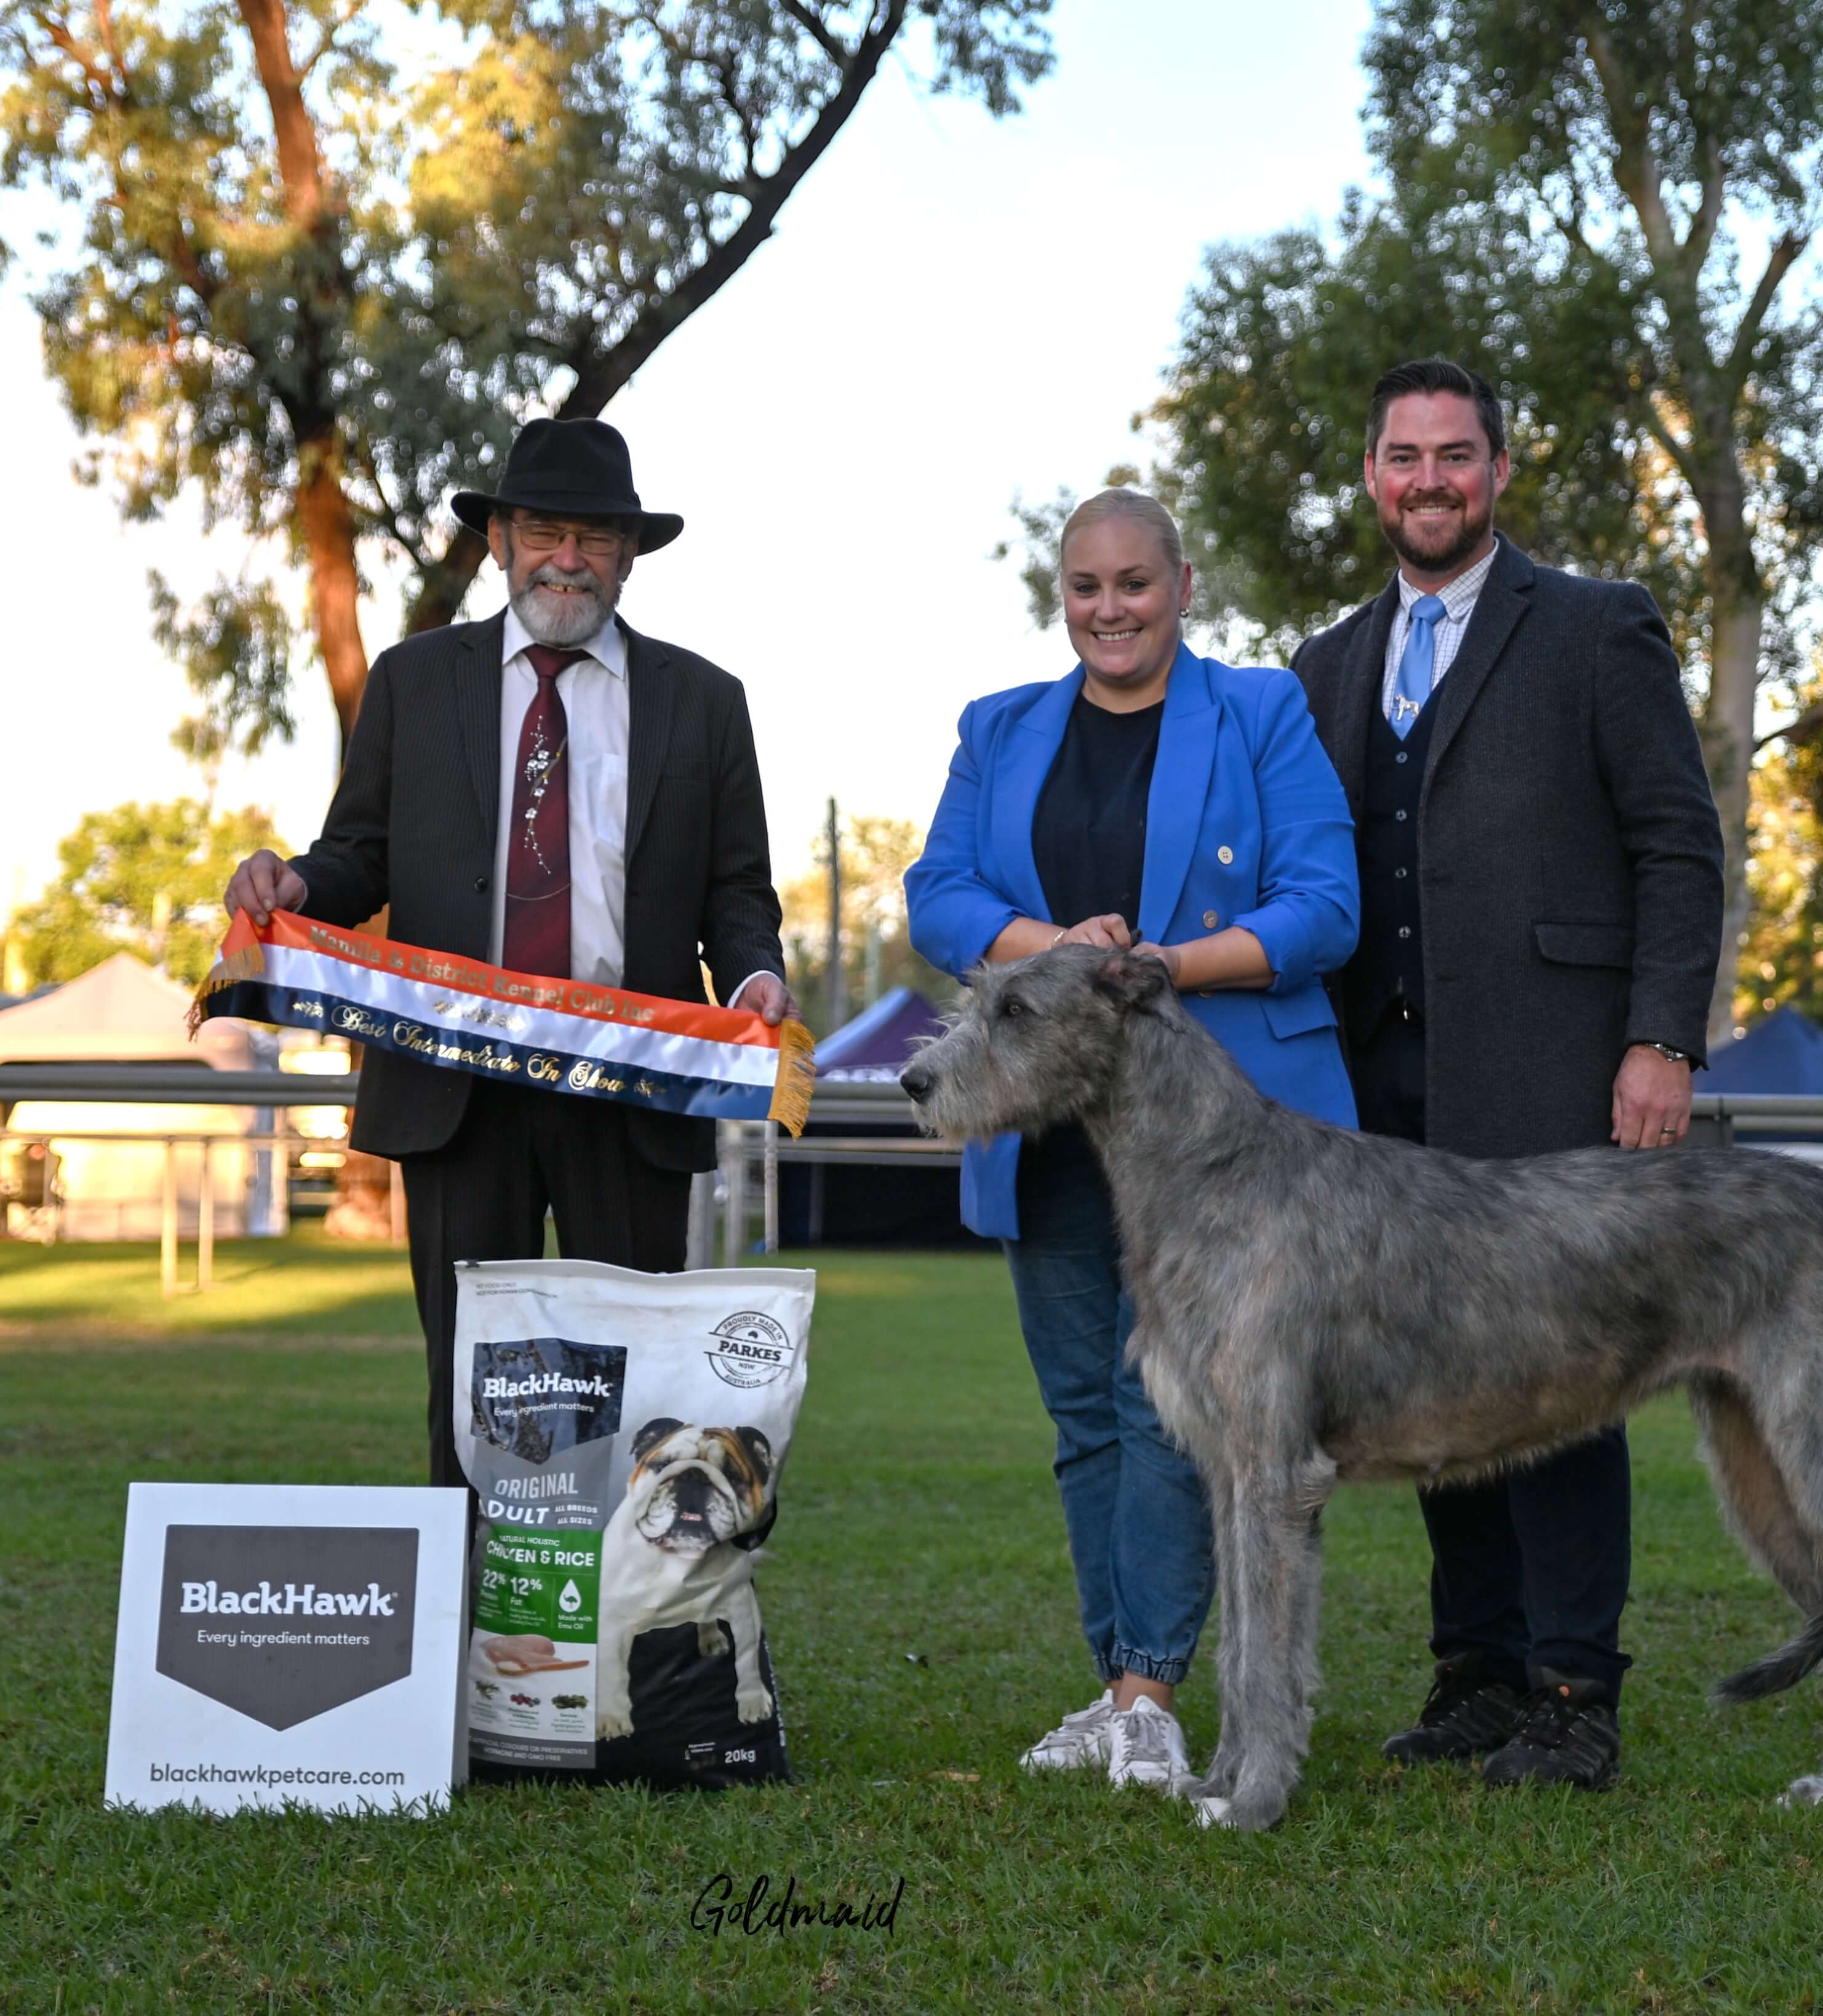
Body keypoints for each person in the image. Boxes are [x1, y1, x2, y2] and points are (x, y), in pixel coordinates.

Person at [1291, 358, 1724, 1793]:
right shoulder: (1324, 664)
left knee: (1560, 1379)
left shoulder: (1598, 626)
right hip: (1377, 1091)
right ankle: (1474, 1674)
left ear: (1499, 471)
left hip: (1557, 1076)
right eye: (1405, 456)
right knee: (1429, 1378)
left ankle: (1573, 1691)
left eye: (1456, 455)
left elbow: (1679, 844)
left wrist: (1663, 1041)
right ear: (1373, 476)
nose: (1431, 480)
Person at [223, 417, 791, 1492]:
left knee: (636, 1386)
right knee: (468, 1385)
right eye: (541, 532)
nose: (566, 559)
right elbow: (359, 854)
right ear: (498, 542)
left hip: (632, 1088)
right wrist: (295, 883)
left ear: (629, 556)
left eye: (595, 538)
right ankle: (465, 1596)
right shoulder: (412, 680)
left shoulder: (705, 701)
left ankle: (617, 1598)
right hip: (455, 1088)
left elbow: (736, 889)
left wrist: (754, 973)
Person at [906, 489, 1359, 1796]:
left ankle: (1150, 1693)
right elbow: (938, 895)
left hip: (1229, 1137)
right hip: (1049, 1126)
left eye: (1134, 584)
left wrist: (1155, 970)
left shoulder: (1260, 712)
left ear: (1183, 586)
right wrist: (1058, 952)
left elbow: (1324, 907)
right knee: (1084, 1416)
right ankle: (1119, 1688)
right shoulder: (998, 728)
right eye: (1085, 587)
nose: (1109, 610)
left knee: (1171, 1416)